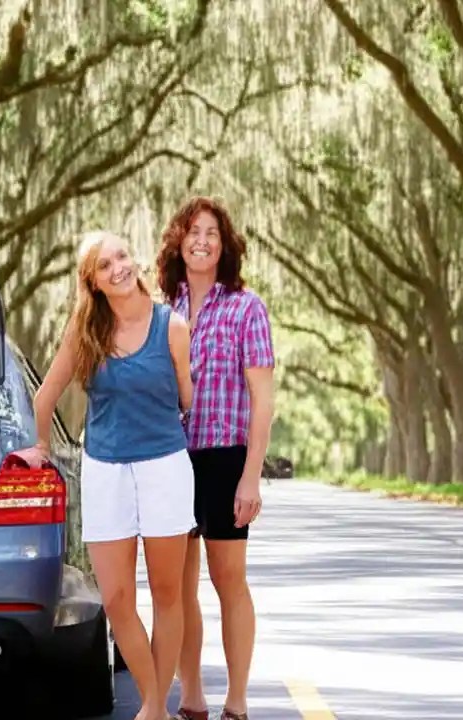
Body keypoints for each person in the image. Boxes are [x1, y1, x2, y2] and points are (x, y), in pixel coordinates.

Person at [20, 230, 195, 720]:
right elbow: (44, 395)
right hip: (105, 471)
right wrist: (40, 446)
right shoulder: (85, 330)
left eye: (121, 255)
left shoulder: (172, 327)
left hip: (165, 467)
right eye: (103, 265)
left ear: (132, 260)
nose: (117, 267)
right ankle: (155, 704)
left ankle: (154, 709)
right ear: (93, 282)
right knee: (116, 599)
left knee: (167, 594)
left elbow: (186, 398)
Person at [156, 197, 275, 720]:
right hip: (170, 460)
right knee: (178, 591)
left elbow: (263, 399)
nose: (201, 240)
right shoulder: (163, 310)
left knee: (229, 582)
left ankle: (237, 700)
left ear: (224, 246)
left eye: (212, 233)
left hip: (226, 458)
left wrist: (251, 476)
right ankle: (193, 697)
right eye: (192, 231)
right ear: (177, 242)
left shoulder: (247, 307)